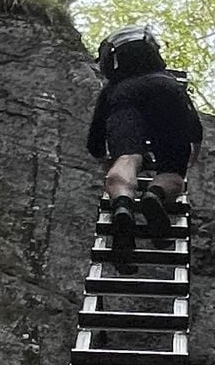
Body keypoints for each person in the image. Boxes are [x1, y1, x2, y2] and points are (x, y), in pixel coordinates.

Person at [86, 22, 202, 265]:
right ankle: (155, 195)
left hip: (124, 97)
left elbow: (95, 142)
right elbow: (193, 124)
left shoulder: (113, 89)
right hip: (167, 94)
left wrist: (105, 155)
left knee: (127, 157)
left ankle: (122, 204)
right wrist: (192, 146)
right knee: (172, 172)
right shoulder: (168, 80)